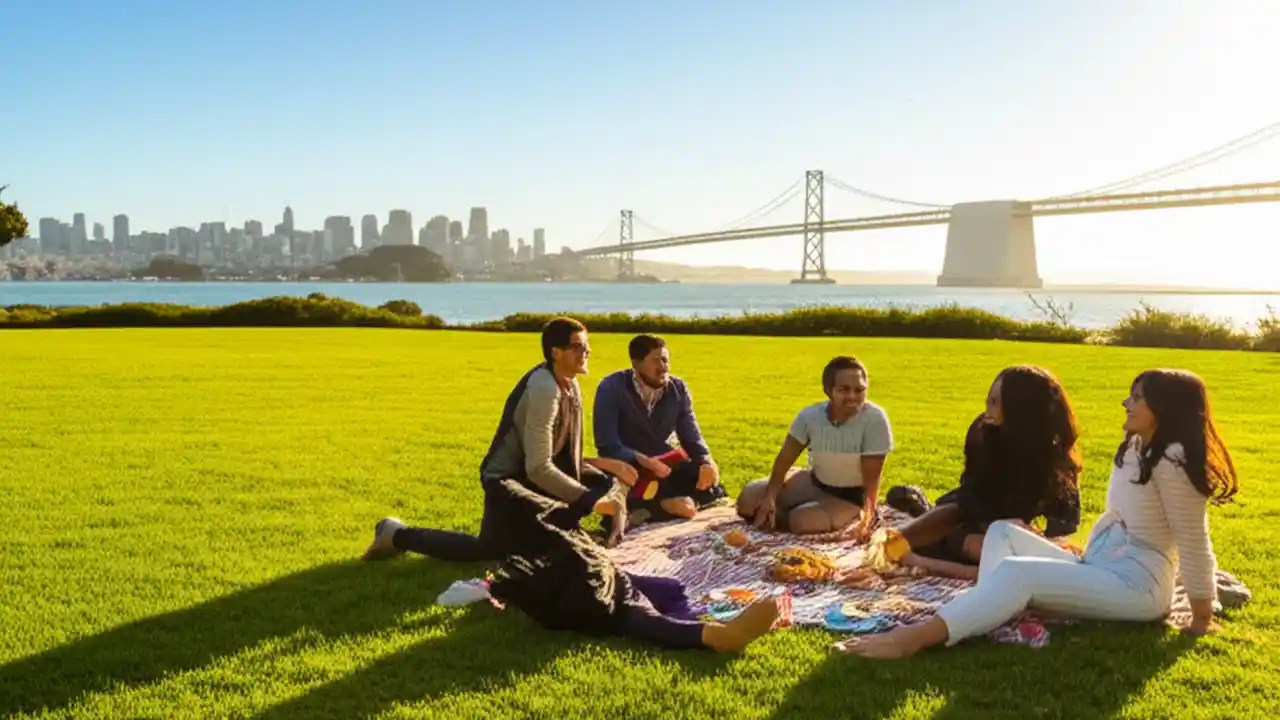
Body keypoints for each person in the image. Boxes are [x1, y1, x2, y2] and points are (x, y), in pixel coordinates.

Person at [838, 368, 1237, 659]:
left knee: (1018, 572)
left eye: (1136, 397)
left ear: (1164, 407)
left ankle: (915, 639)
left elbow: (1193, 539)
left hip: (1138, 586)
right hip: (1102, 564)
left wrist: (1201, 616)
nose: (1126, 403)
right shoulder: (1136, 448)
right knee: (1002, 532)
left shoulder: (1174, 461)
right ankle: (986, 607)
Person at [362, 317, 638, 562]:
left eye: (586, 345)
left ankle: (575, 534)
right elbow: (538, 467)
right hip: (508, 481)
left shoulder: (570, 382)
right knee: (489, 551)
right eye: (577, 346)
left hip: (536, 476)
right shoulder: (543, 388)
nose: (586, 351)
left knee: (606, 484)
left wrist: (606, 470)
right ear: (556, 352)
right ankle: (396, 534)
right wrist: (595, 503)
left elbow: (562, 453)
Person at [480, 462, 782, 652]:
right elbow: (575, 601)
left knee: (670, 589)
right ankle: (721, 636)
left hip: (615, 583)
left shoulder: (539, 545)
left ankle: (693, 618)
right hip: (607, 605)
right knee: (648, 622)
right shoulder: (536, 564)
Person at [881, 366, 1082, 579]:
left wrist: (1033, 536)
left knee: (1039, 561)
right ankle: (920, 550)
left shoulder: (1054, 449)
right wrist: (999, 527)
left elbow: (1062, 523)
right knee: (981, 548)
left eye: (995, 403)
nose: (987, 410)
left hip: (1018, 531)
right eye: (988, 401)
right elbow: (968, 498)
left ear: (1021, 410)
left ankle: (920, 517)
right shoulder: (982, 433)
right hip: (975, 520)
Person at [736, 356, 892, 538]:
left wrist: (869, 515)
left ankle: (798, 515)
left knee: (802, 521)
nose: (852, 397)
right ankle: (784, 512)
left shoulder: (875, 420)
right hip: (815, 483)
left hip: (850, 497)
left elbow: (872, 478)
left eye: (859, 390)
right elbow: (785, 458)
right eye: (844, 390)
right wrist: (770, 497)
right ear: (828, 390)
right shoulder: (810, 416)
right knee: (747, 500)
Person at [592, 334, 727, 526]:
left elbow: (691, 434)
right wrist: (644, 460)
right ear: (636, 364)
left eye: (665, 359)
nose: (663, 366)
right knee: (626, 485)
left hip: (665, 465)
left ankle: (665, 507)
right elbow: (607, 444)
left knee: (707, 480)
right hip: (629, 466)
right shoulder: (611, 388)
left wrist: (705, 460)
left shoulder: (678, 388)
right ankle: (660, 507)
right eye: (656, 360)